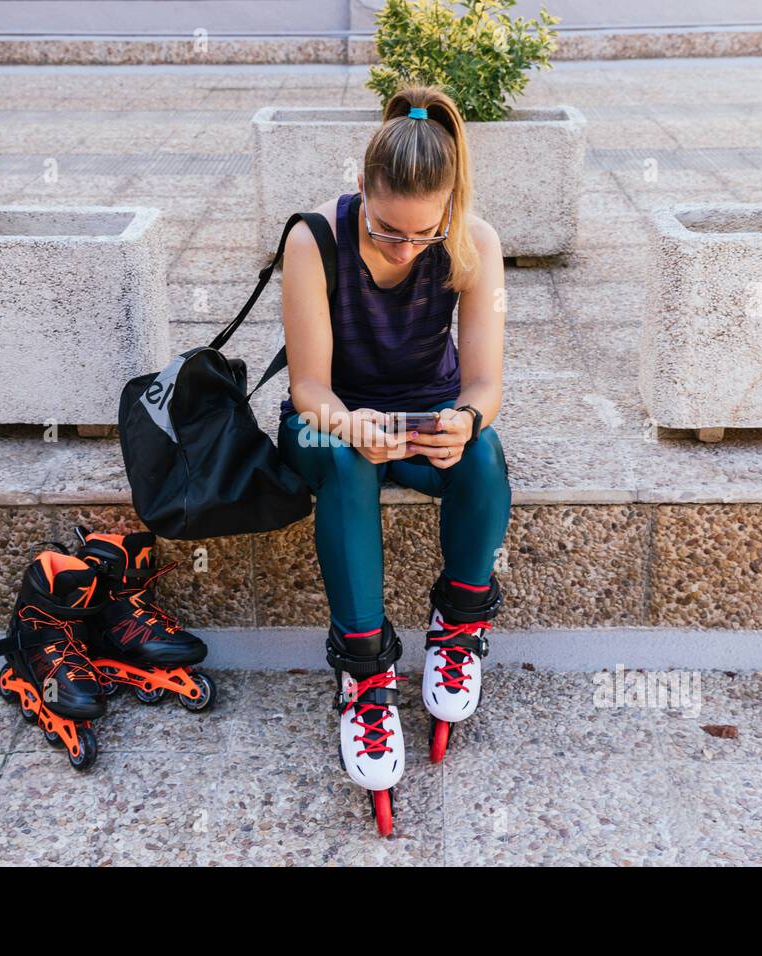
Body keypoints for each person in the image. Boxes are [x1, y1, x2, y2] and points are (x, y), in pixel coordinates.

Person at [275, 84, 512, 825]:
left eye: (424, 236)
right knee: (345, 465)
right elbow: (309, 385)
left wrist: (466, 420)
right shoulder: (313, 239)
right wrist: (351, 425)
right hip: (328, 421)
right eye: (387, 233)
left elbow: (484, 382)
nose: (407, 250)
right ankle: (364, 679)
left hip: (422, 413)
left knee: (484, 453)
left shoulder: (474, 242)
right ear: (361, 191)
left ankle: (459, 628)